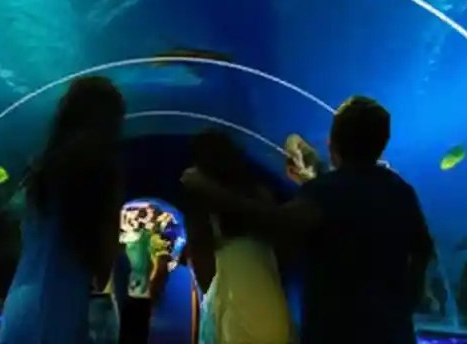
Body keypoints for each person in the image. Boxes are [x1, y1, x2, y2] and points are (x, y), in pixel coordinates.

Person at [181, 96, 434, 344]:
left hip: (338, 330)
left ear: (332, 141)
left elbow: (277, 224)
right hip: (393, 331)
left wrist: (207, 189)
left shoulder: (326, 192)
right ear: (382, 142)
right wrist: (407, 299)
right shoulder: (399, 190)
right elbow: (423, 248)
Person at [0, 76, 126, 344]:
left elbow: (17, 242)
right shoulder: (102, 174)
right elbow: (103, 270)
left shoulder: (38, 173)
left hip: (18, 310)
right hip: (60, 312)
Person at [182, 128, 291, 344]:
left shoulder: (202, 198)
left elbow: (201, 256)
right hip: (271, 301)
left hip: (232, 300)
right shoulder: (261, 195)